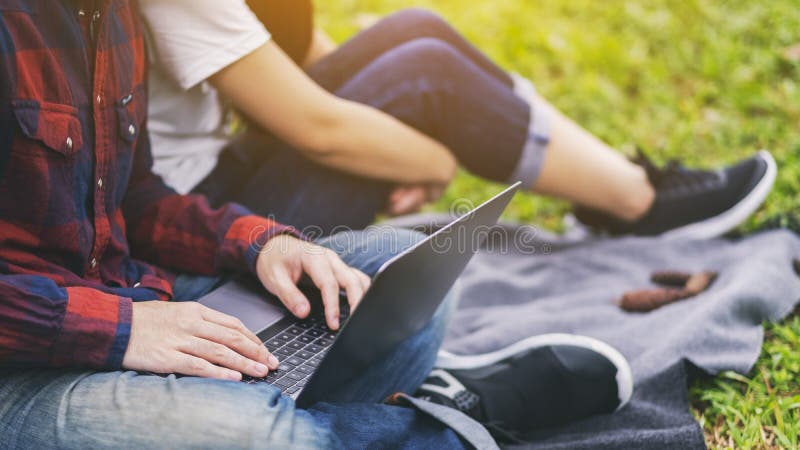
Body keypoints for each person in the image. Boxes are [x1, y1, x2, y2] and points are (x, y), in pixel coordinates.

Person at [0, 2, 632, 447]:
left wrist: (259, 242)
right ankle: (454, 422)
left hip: (135, 300)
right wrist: (122, 330)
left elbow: (134, 198)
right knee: (252, 436)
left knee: (392, 272)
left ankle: (313, 412)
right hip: (29, 368)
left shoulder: (109, 16)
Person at [140, 0, 776, 239]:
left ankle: (615, 191)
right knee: (430, 78)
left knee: (417, 32)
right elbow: (320, 129)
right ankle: (640, 205)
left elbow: (306, 60)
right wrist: (432, 155)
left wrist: (394, 111)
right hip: (197, 219)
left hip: (228, 167)